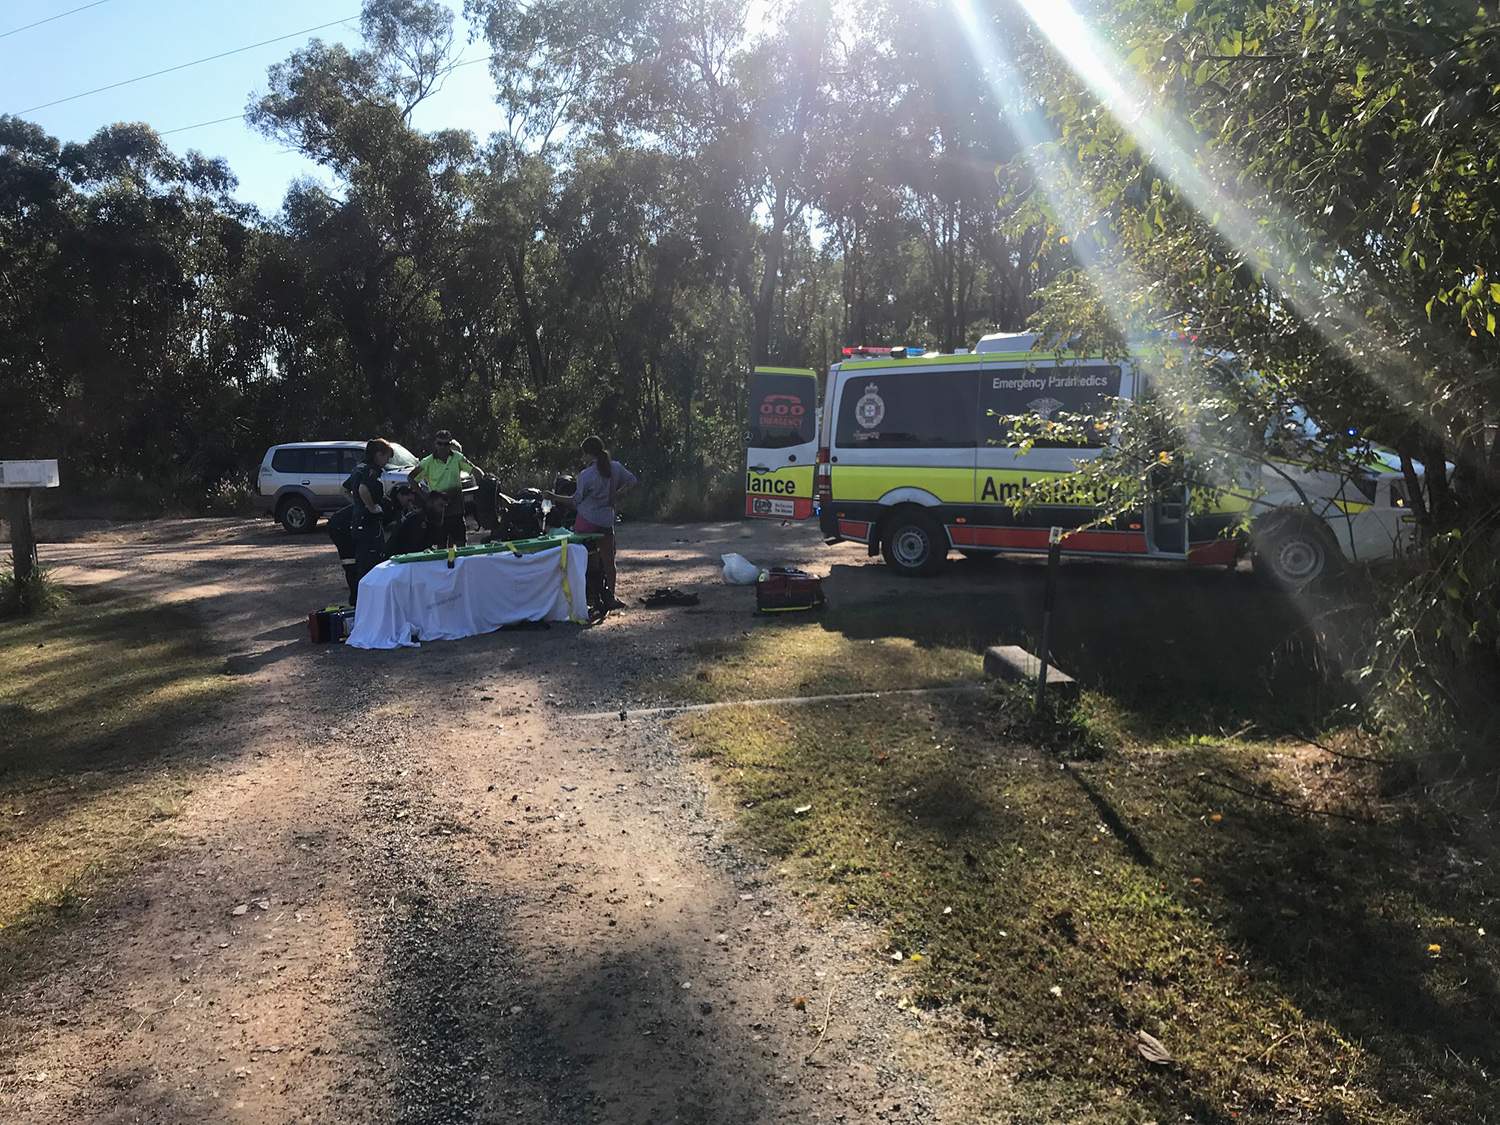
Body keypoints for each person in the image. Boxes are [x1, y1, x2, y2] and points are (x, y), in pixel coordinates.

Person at [546, 436, 637, 609]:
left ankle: (590, 596)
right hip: (605, 520)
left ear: (588, 454)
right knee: (609, 561)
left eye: (583, 454)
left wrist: (554, 497)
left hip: (586, 521)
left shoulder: (586, 475)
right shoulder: (615, 467)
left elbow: (575, 501)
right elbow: (632, 481)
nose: (582, 458)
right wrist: (617, 495)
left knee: (585, 559)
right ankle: (610, 595)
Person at [408, 430, 486, 547]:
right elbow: (411, 478)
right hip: (439, 513)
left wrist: (484, 481)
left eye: (446, 444)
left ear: (450, 444)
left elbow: (474, 470)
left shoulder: (457, 458)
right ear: (435, 444)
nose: (443, 447)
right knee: (441, 547)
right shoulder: (427, 462)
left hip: (456, 510)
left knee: (461, 545)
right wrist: (424, 496)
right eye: (440, 444)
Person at [340, 438, 394, 602]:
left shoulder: (359, 468)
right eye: (386, 457)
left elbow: (344, 490)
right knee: (371, 565)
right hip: (368, 524)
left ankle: (362, 600)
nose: (387, 462)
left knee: (363, 563)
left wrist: (358, 505)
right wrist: (371, 507)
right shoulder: (371, 470)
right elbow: (363, 488)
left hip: (358, 523)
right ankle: (369, 601)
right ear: (378, 454)